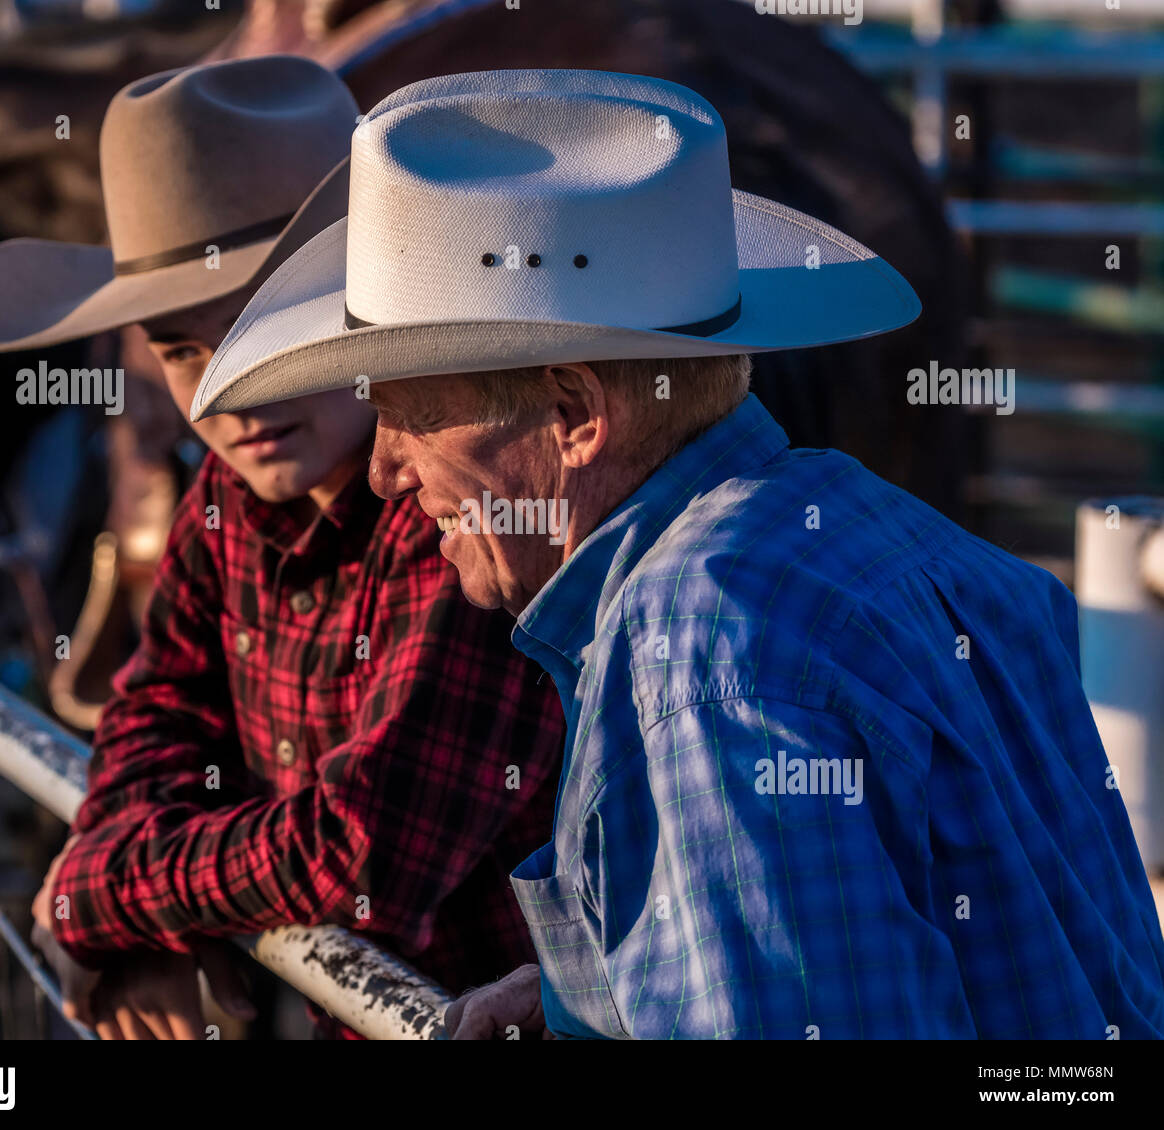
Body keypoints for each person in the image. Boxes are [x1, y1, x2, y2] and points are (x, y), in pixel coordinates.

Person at [192, 69, 1164, 1039]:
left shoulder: (695, 666)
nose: (383, 473)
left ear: (573, 414)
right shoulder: (898, 542)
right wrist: (592, 995)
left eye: (411, 415)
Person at [0, 56, 565, 1040]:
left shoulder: (461, 506)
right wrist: (157, 923)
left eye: (267, 328)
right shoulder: (229, 493)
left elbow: (363, 854)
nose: (229, 392)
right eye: (181, 348)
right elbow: (158, 706)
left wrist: (97, 892)